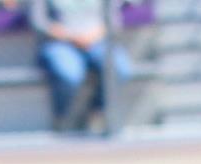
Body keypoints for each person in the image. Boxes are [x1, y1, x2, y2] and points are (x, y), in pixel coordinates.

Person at [28, 0, 132, 131]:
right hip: (60, 42)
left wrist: (91, 37)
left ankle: (95, 113)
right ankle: (65, 118)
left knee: (120, 69)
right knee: (69, 74)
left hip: (97, 40)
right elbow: (39, 22)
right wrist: (71, 36)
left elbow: (113, 20)